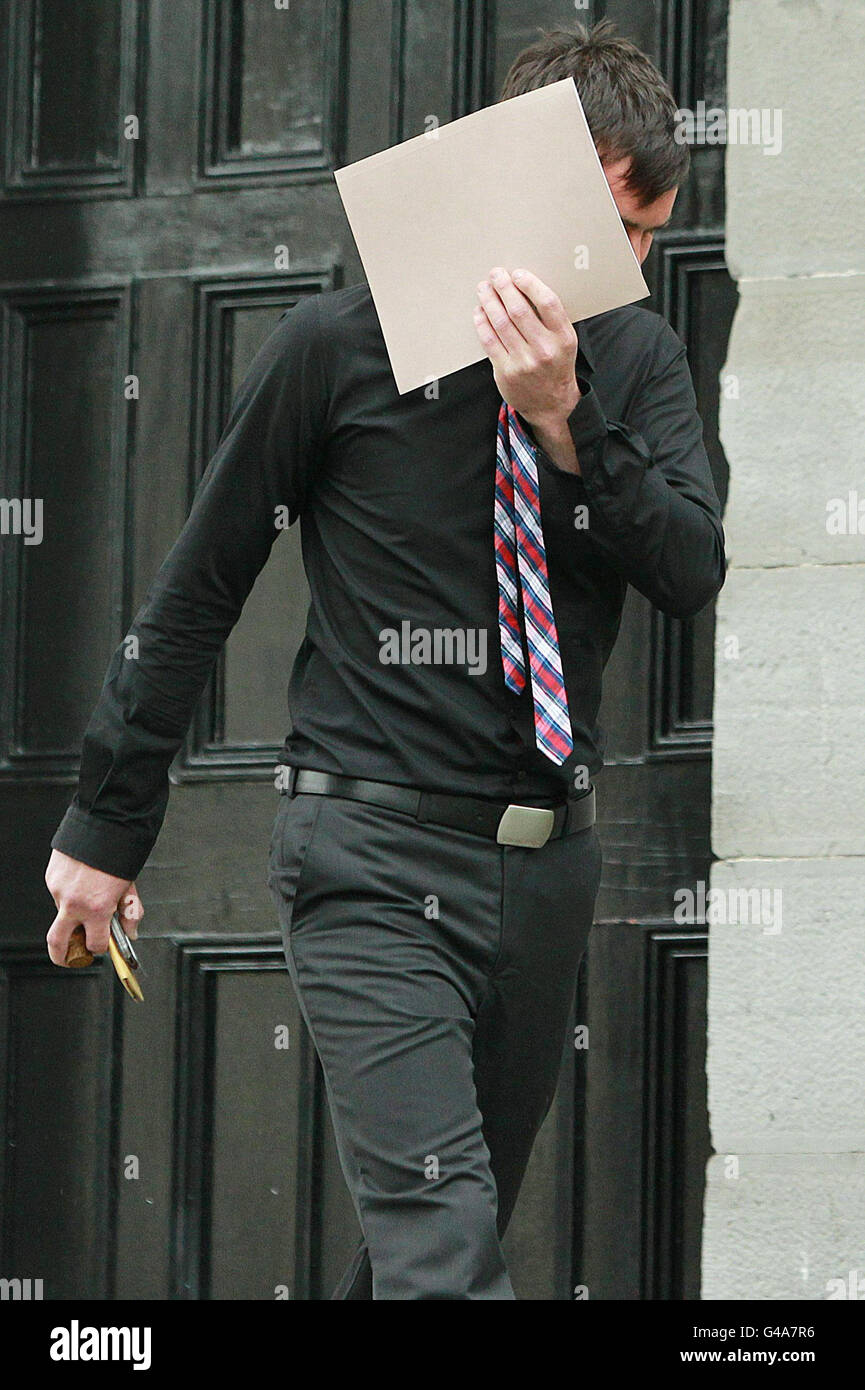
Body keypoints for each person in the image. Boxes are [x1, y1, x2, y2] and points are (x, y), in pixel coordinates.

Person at [44, 21, 725, 1299]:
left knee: (429, 1248)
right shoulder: (334, 353)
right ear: (539, 192)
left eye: (652, 239)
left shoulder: (631, 360)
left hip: (541, 869)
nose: (637, 265)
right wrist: (104, 824)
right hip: (368, 861)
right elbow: (196, 590)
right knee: (448, 1259)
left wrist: (570, 426)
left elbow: (689, 566)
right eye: (621, 233)